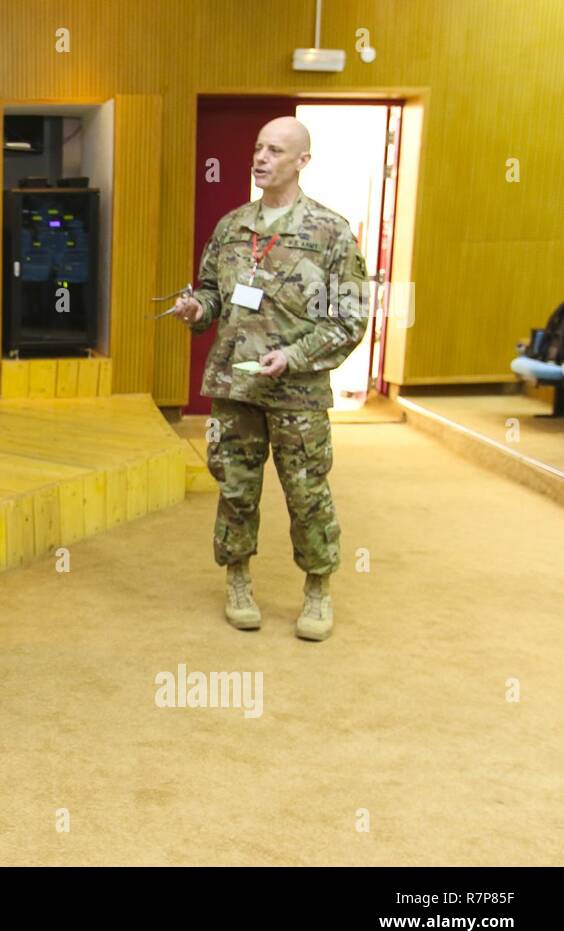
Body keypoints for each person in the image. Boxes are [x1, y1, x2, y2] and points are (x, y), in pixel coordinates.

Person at [173, 117, 369, 642]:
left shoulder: (331, 233)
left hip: (296, 392)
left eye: (276, 150)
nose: (261, 158)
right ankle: (238, 581)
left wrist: (295, 356)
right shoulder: (232, 225)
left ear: (302, 161)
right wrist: (196, 309)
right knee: (235, 489)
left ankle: (317, 588)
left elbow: (348, 320)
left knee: (306, 493)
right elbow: (214, 292)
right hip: (235, 386)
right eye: (258, 147)